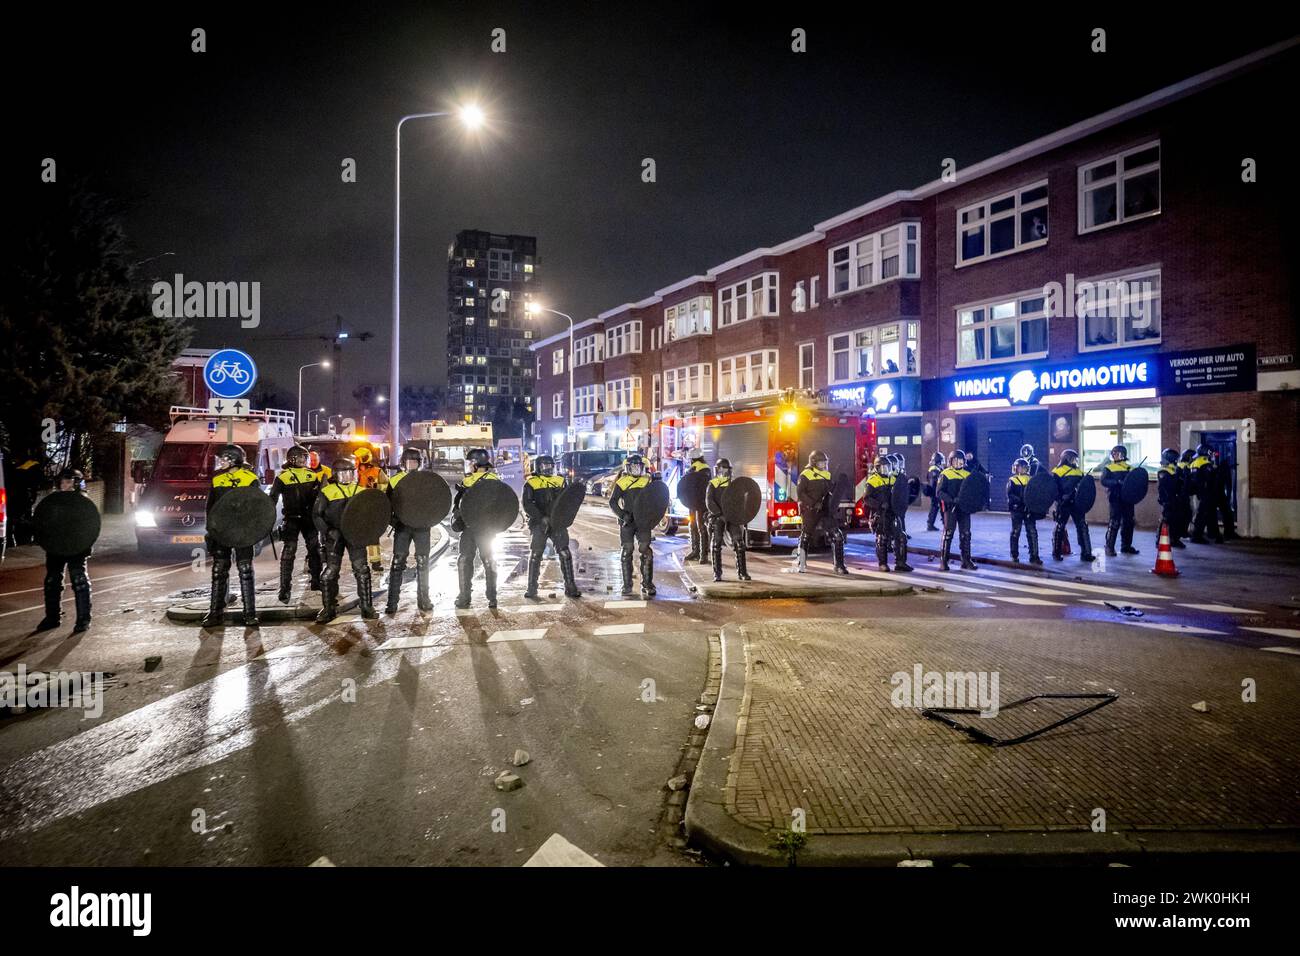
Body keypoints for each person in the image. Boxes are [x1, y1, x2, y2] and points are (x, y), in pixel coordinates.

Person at [201, 445, 262, 628]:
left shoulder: (250, 479)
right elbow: (210, 507)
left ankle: (250, 614)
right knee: (219, 570)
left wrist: (254, 531)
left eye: (224, 459)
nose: (221, 462)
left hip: (242, 531)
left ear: (235, 459)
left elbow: (257, 507)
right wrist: (210, 530)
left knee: (245, 570)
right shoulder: (217, 479)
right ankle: (215, 613)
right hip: (222, 530)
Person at [313, 456, 378, 622]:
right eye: (343, 474)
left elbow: (369, 513)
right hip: (335, 536)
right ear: (335, 475)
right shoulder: (327, 491)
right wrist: (327, 531)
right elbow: (317, 515)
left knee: (362, 569)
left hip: (354, 535)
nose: (347, 477)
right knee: (330, 572)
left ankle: (366, 606)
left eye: (350, 473)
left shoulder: (360, 490)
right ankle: (329, 608)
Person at [35, 468, 94, 633]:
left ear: (76, 484)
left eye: (68, 482)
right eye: (62, 482)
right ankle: (52, 617)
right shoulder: (53, 502)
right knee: (52, 581)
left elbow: (89, 527)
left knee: (79, 581)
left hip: (76, 547)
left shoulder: (83, 503)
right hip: (56, 547)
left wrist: (83, 544)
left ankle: (83, 619)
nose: (64, 485)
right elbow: (46, 522)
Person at [520, 454, 582, 600]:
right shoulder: (531, 483)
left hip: (558, 523)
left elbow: (567, 501)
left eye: (550, 466)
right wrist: (541, 518)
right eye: (544, 466)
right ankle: (531, 587)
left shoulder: (560, 481)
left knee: (565, 553)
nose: (548, 469)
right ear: (538, 467)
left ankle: (570, 586)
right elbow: (527, 504)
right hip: (539, 523)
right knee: (536, 555)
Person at [451, 447, 504, 609]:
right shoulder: (495, 479)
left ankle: (464, 597)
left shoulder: (469, 481)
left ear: (475, 464)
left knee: (465, 559)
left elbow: (458, 504)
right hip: (485, 528)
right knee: (488, 559)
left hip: (471, 527)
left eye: (470, 462)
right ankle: (492, 598)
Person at [384, 447, 435, 614]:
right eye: (409, 461)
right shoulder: (395, 481)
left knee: (423, 561)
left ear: (419, 463)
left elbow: (433, 503)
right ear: (403, 463)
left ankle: (424, 600)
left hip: (421, 527)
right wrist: (395, 521)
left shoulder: (425, 480)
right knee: (398, 561)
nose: (412, 464)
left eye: (415, 461)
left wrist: (428, 518)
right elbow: (387, 505)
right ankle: (392, 603)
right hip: (403, 527)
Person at [270, 444, 322, 602]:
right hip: (291, 518)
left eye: (305, 457)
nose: (304, 460)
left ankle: (316, 581)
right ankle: (285, 588)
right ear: (292, 458)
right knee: (288, 552)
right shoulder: (282, 476)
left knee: (314, 549)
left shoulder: (312, 475)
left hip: (309, 518)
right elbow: (272, 499)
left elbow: (320, 498)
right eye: (301, 457)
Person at [609, 452, 658, 597]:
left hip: (643, 521)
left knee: (646, 550)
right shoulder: (621, 482)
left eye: (639, 466)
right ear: (628, 467)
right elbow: (612, 502)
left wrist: (652, 517)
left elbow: (656, 500)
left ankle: (648, 584)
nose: (636, 469)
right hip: (627, 522)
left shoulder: (648, 481)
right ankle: (627, 585)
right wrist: (622, 515)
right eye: (634, 466)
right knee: (627, 551)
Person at [795, 450, 848, 575]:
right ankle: (801, 563)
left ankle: (839, 566)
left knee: (837, 536)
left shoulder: (827, 475)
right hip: (811, 511)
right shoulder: (805, 474)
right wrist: (813, 504)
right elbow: (800, 493)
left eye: (825, 462)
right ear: (813, 462)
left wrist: (838, 485)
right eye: (821, 462)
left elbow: (832, 492)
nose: (824, 465)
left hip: (825, 511)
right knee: (806, 536)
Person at [705, 458, 751, 582]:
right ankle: (717, 573)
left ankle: (742, 572)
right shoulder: (713, 484)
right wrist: (719, 514)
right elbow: (709, 502)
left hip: (732, 517)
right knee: (716, 544)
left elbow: (739, 501)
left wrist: (739, 514)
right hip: (718, 517)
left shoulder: (733, 484)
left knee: (739, 543)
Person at [865, 453, 911, 573]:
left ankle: (900, 563)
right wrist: (879, 505)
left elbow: (900, 493)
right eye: (884, 467)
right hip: (881, 514)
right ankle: (883, 564)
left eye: (888, 467)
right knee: (882, 538)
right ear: (877, 468)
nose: (887, 470)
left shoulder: (894, 478)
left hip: (893, 512)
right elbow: (866, 499)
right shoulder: (873, 480)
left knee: (901, 536)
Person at [1050, 449, 1096, 562]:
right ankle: (1056, 553)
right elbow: (1053, 489)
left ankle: (1086, 552)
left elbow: (1083, 488)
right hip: (1063, 503)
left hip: (1076, 503)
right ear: (1068, 458)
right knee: (1060, 527)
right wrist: (1060, 499)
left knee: (1082, 526)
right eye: (1074, 458)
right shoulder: (1057, 471)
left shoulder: (1078, 472)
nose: (1076, 461)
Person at [935, 449, 977, 572]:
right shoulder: (945, 474)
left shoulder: (967, 474)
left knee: (966, 534)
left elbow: (972, 491)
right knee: (948, 534)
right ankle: (943, 561)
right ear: (951, 461)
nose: (958, 463)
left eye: (960, 460)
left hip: (964, 509)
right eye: (955, 460)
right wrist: (951, 500)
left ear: (964, 462)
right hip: (950, 509)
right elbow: (939, 492)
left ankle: (966, 560)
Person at [1098, 444, 1139, 557]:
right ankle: (1109, 547)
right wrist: (1116, 482)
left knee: (1129, 522)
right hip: (1115, 497)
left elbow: (1135, 482)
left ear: (1123, 455)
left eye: (1117, 453)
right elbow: (1104, 481)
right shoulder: (1109, 468)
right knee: (1114, 522)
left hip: (1128, 498)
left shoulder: (1130, 468)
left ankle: (1126, 546)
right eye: (1113, 453)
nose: (1115, 455)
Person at [354, 446, 388, 572]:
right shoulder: (353, 472)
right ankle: (360, 561)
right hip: (357, 507)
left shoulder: (377, 471)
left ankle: (375, 562)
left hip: (371, 507)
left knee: (373, 536)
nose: (355, 461)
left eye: (357, 459)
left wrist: (375, 488)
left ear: (363, 459)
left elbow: (385, 485)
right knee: (358, 536)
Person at [1006, 457, 1042, 564]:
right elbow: (1010, 495)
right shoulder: (1012, 480)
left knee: (1032, 532)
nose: (1021, 469)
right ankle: (1014, 555)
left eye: (1024, 468)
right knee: (1016, 532)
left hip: (1028, 510)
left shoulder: (1031, 480)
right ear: (1016, 469)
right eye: (1019, 467)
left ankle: (1034, 556)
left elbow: (1035, 494)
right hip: (1017, 509)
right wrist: (1021, 501)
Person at [682, 447, 712, 564]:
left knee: (700, 526)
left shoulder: (702, 470)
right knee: (695, 525)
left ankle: (702, 554)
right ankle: (697, 552)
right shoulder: (702, 469)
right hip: (696, 502)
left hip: (698, 502)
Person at [1189, 444, 1220, 543]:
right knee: (1203, 514)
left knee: (1210, 513)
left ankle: (1213, 533)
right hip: (1207, 492)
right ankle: (1197, 536)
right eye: (1210, 452)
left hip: (1201, 492)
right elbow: (1210, 478)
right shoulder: (1205, 463)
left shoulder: (1195, 462)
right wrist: (1215, 469)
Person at [1156, 448, 1184, 549]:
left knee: (1176, 519)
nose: (1177, 460)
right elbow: (1167, 486)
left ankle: (1174, 539)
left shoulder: (1174, 469)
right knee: (1165, 519)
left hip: (1175, 498)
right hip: (1167, 499)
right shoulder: (1163, 470)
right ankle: (1159, 540)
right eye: (1175, 458)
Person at [1214, 452, 1239, 540]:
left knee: (1212, 514)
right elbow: (1228, 484)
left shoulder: (1218, 467)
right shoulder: (1225, 468)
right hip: (1219, 494)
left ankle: (1216, 534)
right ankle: (1228, 532)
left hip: (1215, 494)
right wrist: (1228, 497)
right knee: (1227, 513)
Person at [1177, 449, 1196, 542]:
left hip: (1183, 494)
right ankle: (1181, 532)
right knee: (1184, 514)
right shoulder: (1184, 467)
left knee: (1187, 513)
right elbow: (1186, 481)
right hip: (1182, 495)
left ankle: (1183, 532)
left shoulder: (1183, 466)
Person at [924, 451, 945, 531]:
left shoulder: (935, 468)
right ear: (938, 460)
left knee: (936, 507)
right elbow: (935, 482)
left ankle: (934, 523)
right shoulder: (934, 470)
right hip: (935, 492)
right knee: (935, 507)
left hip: (935, 492)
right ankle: (930, 524)